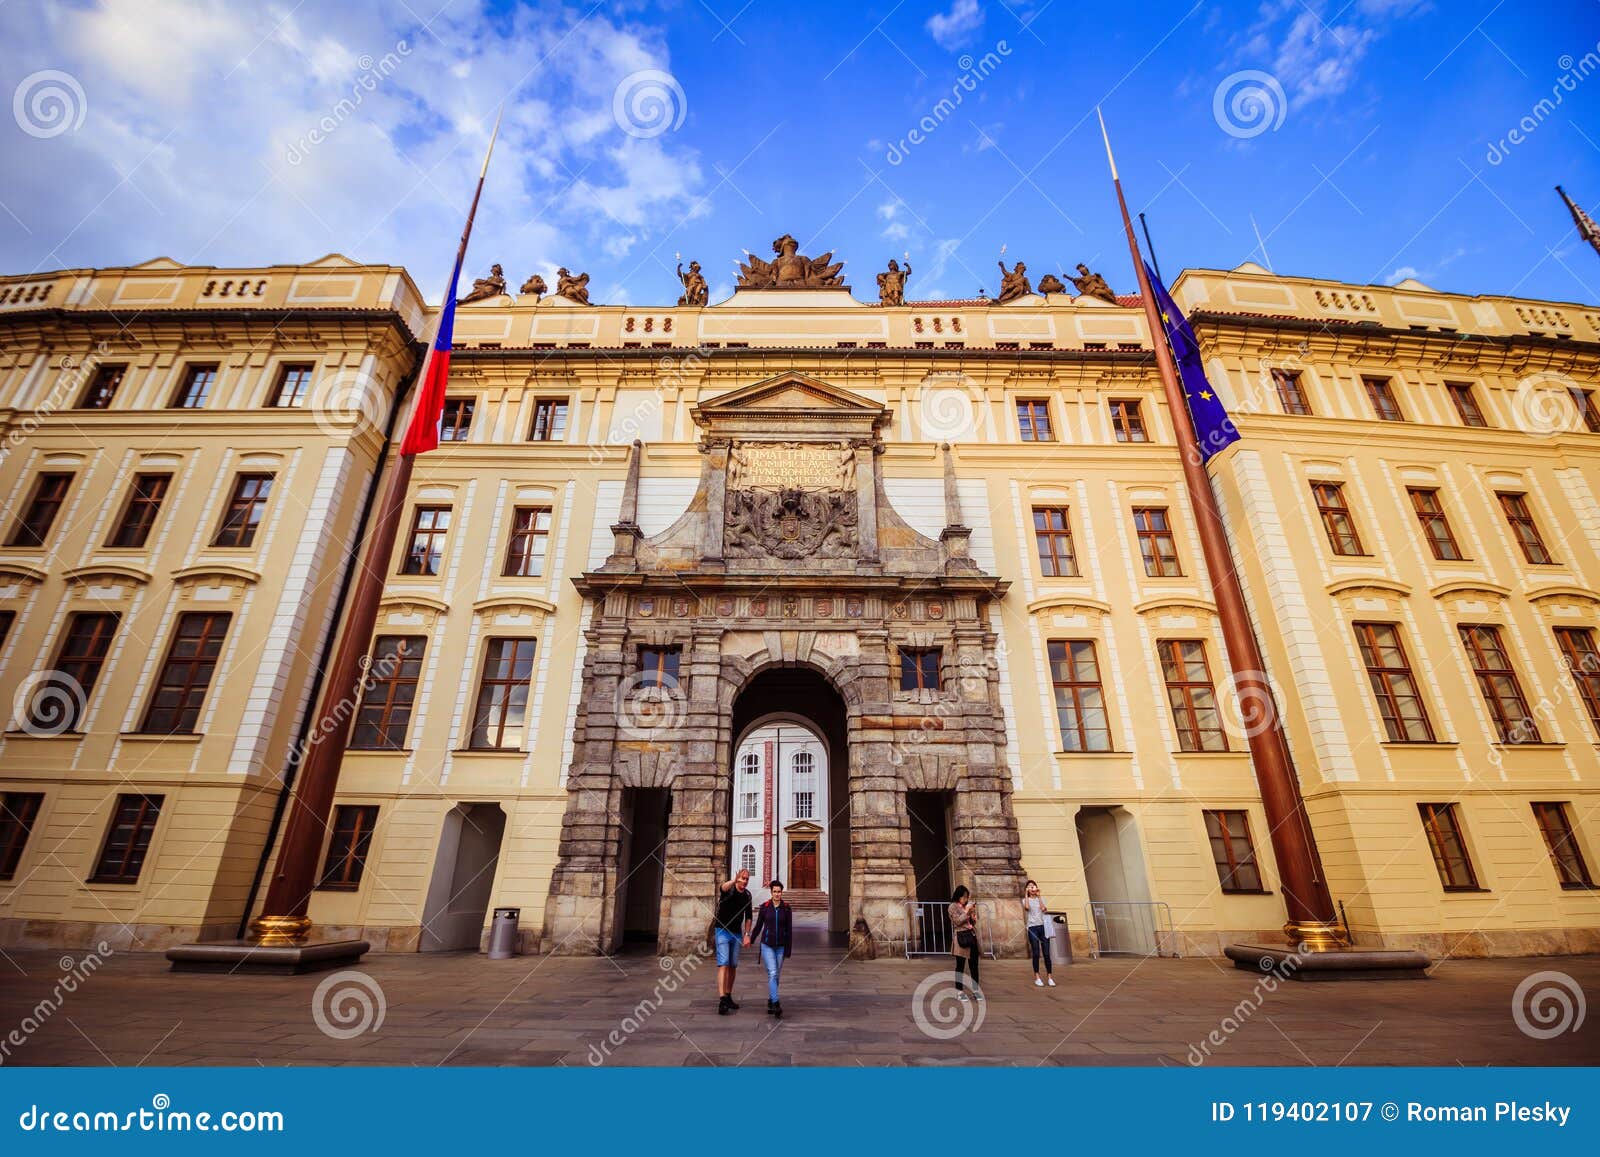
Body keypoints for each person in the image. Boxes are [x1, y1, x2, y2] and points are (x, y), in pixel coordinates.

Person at [747, 879, 793, 1018]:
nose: (777, 894)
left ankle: (771, 998)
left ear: (781, 892)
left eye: (779, 892)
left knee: (776, 975)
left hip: (781, 946)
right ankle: (775, 1002)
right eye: (774, 892)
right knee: (773, 973)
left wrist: (788, 949)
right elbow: (759, 926)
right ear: (771, 892)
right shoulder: (765, 907)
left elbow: (789, 930)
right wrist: (751, 938)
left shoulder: (786, 908)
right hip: (767, 945)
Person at [713, 868, 754, 1014]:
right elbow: (722, 888)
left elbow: (749, 917)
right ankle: (722, 999)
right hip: (722, 931)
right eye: (742, 878)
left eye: (746, 879)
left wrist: (747, 934)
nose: (744, 881)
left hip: (736, 933)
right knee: (723, 964)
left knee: (733, 965)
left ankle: (728, 995)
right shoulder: (729, 889)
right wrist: (734, 880)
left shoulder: (747, 896)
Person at [948, 885, 982, 1000]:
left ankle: (976, 990)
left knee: (974, 965)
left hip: (971, 936)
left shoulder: (967, 906)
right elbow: (957, 922)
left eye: (967, 897)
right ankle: (959, 991)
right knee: (960, 966)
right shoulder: (952, 907)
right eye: (964, 897)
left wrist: (973, 918)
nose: (966, 899)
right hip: (961, 938)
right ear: (958, 896)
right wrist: (967, 912)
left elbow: (971, 923)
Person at [1022, 880, 1056, 987]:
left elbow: (1044, 909)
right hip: (1032, 928)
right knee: (1036, 953)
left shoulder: (1040, 899)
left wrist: (1039, 896)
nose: (1032, 888)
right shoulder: (1025, 900)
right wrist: (1026, 894)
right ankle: (1037, 977)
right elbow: (1027, 908)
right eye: (1029, 886)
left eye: (1033, 886)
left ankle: (1050, 977)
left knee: (1046, 953)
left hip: (1043, 927)